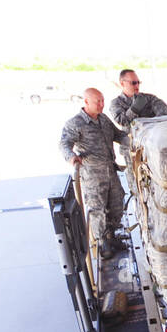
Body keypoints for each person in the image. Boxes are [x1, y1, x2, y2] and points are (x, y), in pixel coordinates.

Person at [60, 88, 130, 258]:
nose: (101, 105)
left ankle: (111, 236)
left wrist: (136, 140)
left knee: (116, 203)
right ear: (86, 102)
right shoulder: (75, 123)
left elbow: (118, 135)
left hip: (110, 171)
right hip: (93, 175)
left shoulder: (103, 119)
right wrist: (71, 157)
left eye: (102, 101)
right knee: (98, 209)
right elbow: (64, 143)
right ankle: (102, 243)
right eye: (97, 102)